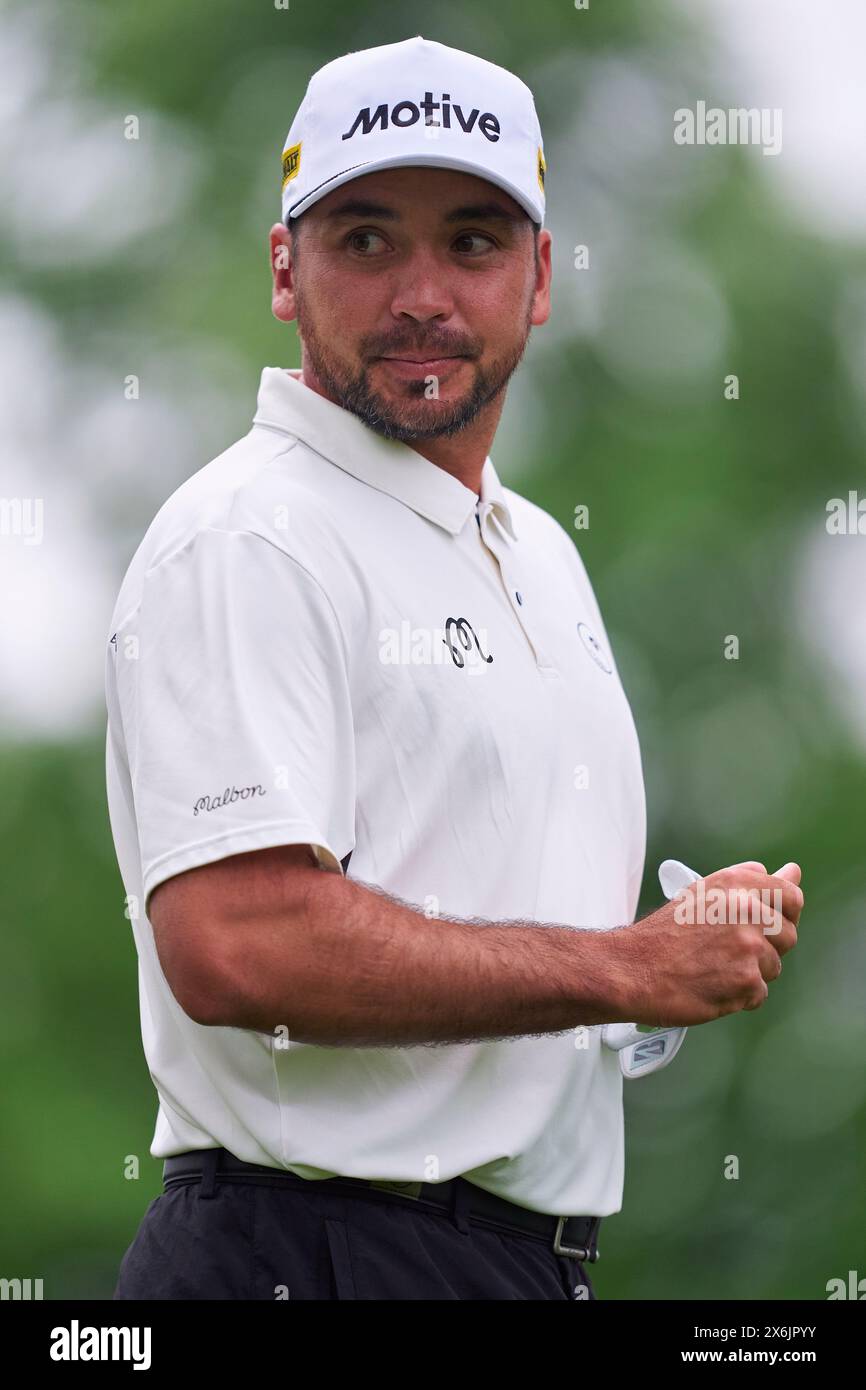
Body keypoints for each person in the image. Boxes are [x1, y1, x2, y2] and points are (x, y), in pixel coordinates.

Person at [105, 35, 803, 1301]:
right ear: (284, 268)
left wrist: (657, 971)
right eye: (365, 240)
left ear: (539, 279)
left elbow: (502, 955)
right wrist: (624, 968)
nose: (420, 291)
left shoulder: (536, 550)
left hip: (508, 1265)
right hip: (304, 1254)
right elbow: (237, 943)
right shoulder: (248, 533)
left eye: (472, 242)